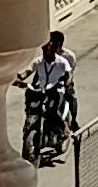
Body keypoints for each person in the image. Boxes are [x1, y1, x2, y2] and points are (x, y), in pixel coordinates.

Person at [20, 28, 78, 168]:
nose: (47, 51)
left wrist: (68, 81)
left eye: (50, 47)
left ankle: (66, 128)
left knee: (53, 109)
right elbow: (27, 72)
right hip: (42, 89)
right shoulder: (38, 61)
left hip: (56, 90)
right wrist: (17, 78)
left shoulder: (63, 60)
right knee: (31, 105)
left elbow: (69, 74)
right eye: (45, 48)